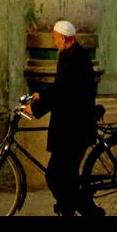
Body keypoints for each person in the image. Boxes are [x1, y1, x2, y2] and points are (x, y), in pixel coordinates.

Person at [26, 20, 104, 218]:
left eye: (55, 38)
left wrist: (35, 108)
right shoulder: (69, 55)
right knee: (64, 177)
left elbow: (62, 92)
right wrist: (41, 95)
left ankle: (89, 211)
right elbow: (60, 86)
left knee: (55, 176)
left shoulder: (76, 59)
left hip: (74, 128)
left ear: (65, 38)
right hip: (70, 127)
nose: (54, 43)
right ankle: (69, 209)